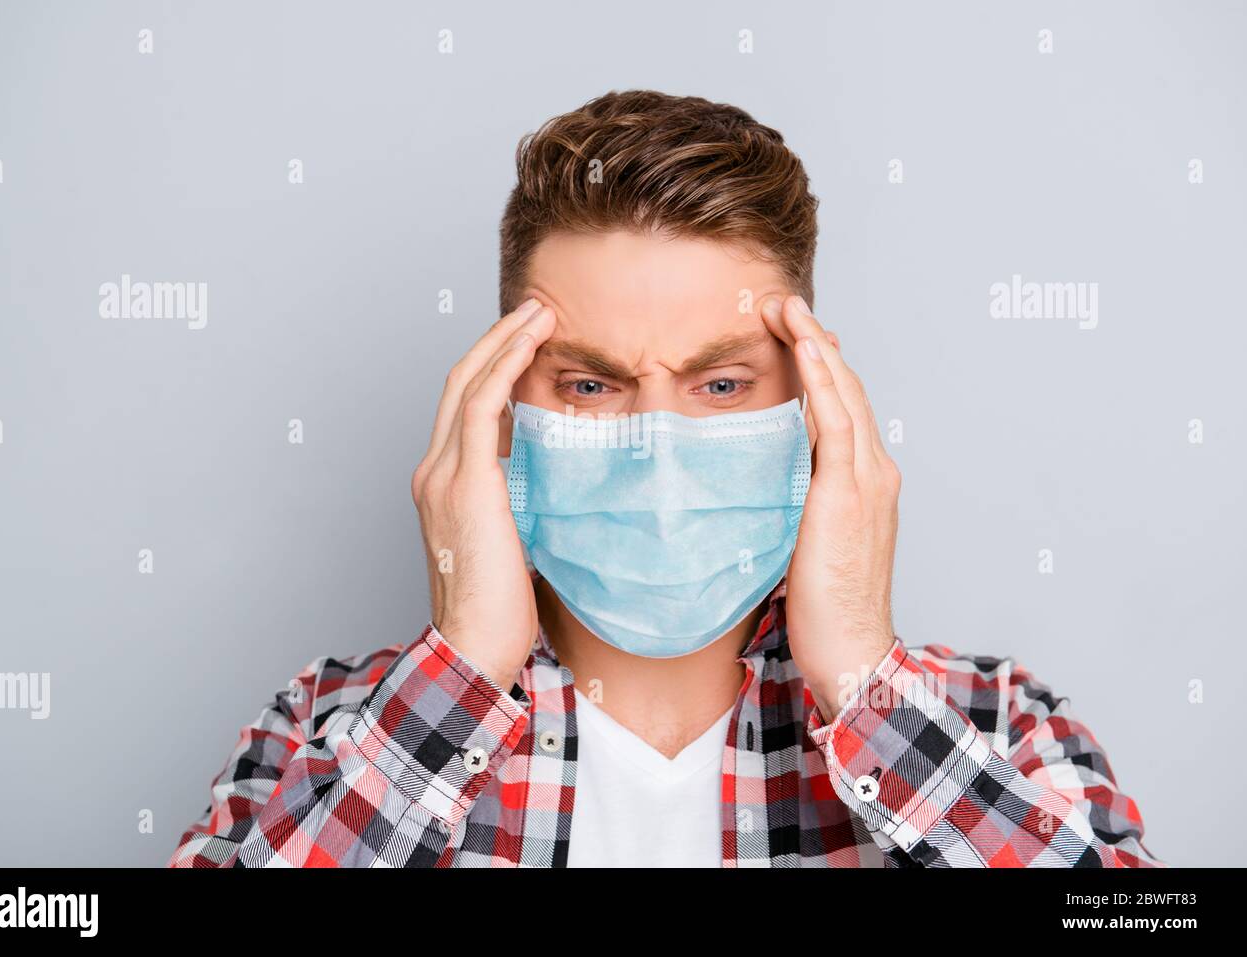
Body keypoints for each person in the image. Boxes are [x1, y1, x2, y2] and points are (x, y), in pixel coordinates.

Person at [168, 90, 1158, 868]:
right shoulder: (324, 732)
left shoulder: (994, 729)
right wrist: (462, 670)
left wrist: (862, 678)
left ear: (816, 405)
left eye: (721, 383)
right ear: (501, 408)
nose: (657, 446)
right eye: (590, 383)